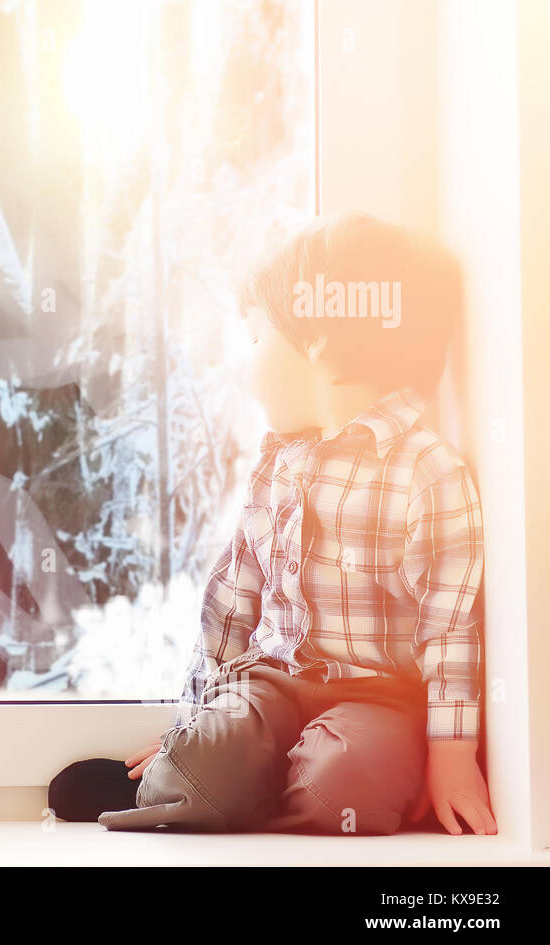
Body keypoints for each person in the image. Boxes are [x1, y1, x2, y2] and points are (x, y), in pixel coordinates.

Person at [51, 214, 497, 836]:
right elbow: (232, 602)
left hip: (376, 701)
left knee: (345, 781)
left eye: (257, 341)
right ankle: (196, 775)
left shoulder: (426, 470)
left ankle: (234, 790)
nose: (247, 366)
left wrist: (452, 755)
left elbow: (450, 629)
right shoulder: (279, 467)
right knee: (212, 753)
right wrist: (195, 722)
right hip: (273, 683)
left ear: (314, 338)